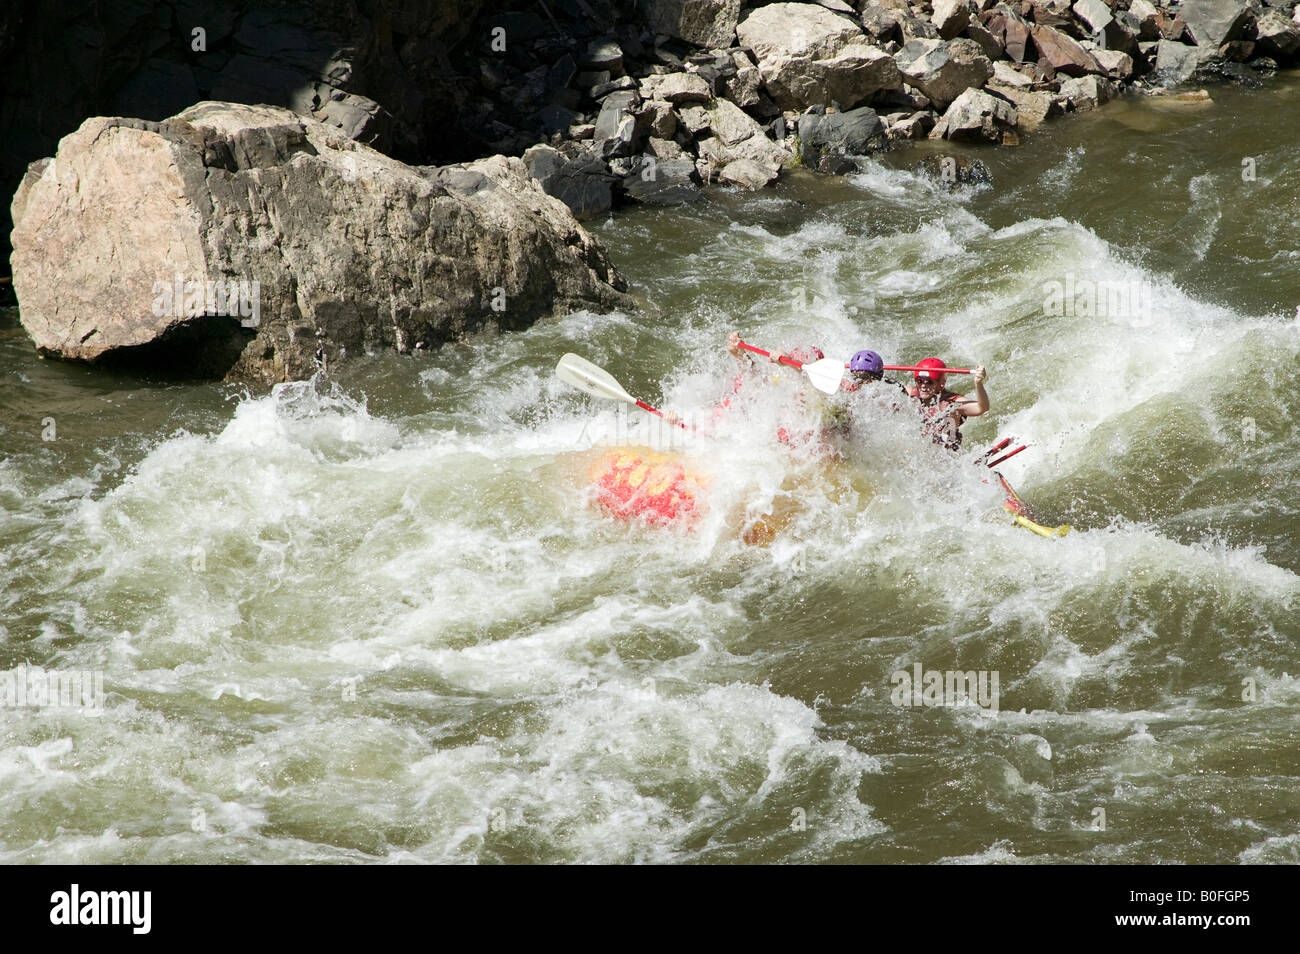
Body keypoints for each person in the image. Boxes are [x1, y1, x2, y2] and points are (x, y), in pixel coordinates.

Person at [905, 357, 988, 450]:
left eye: (929, 382)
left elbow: (982, 408)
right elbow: (888, 384)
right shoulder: (912, 393)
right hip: (922, 449)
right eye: (919, 381)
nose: (923, 386)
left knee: (951, 411)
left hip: (947, 452)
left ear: (941, 384)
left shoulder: (951, 401)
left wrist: (978, 383)